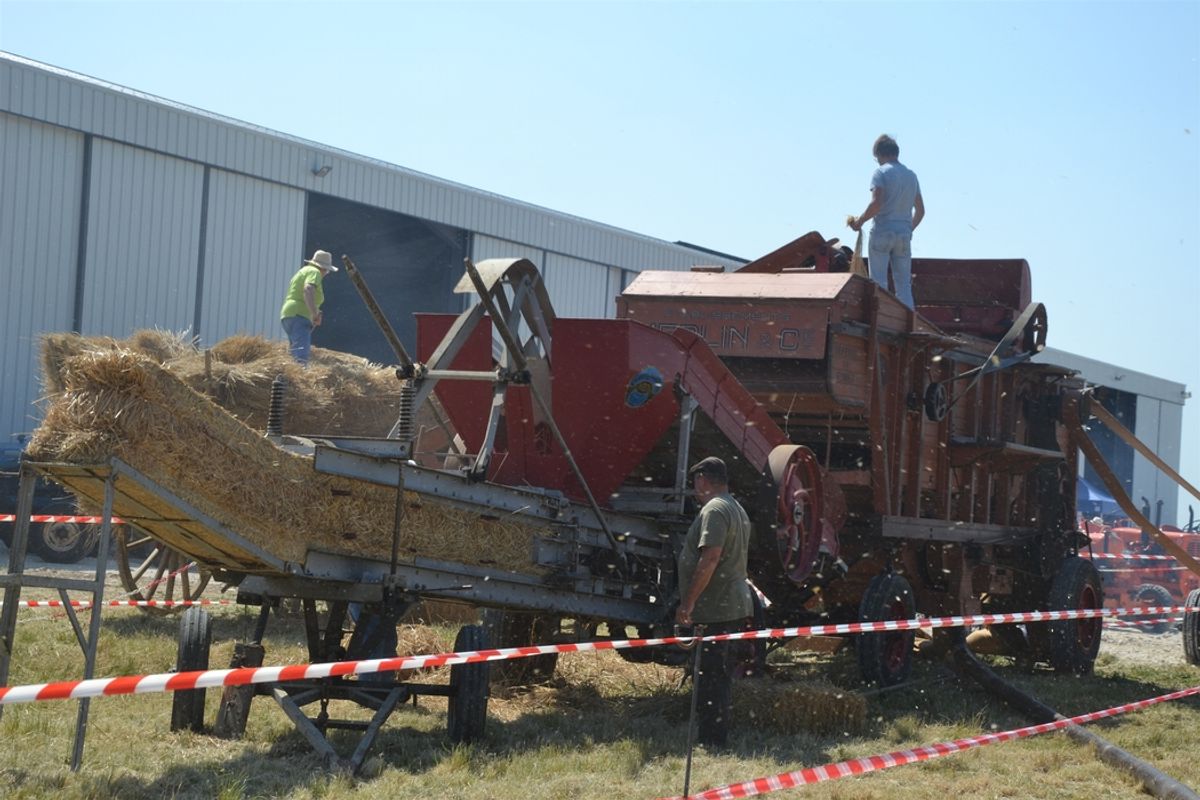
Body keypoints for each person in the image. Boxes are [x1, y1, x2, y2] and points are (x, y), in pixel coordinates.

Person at [675, 456, 753, 747]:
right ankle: (713, 735)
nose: (695, 486)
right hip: (728, 605)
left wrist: (688, 603)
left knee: (711, 678)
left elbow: (710, 558)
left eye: (696, 480)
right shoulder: (736, 508)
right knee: (716, 676)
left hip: (717, 608)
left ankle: (712, 740)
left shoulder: (715, 509)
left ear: (702, 480)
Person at [849, 134, 925, 309]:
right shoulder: (911, 176)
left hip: (883, 231)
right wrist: (908, 229)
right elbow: (920, 211)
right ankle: (908, 325)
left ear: (880, 154)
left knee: (879, 283)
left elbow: (876, 203)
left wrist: (859, 221)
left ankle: (881, 320)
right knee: (904, 285)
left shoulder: (881, 172)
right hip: (903, 234)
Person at [280, 249, 338, 364]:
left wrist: (315, 312)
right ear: (323, 268)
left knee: (294, 351)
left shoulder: (303, 271)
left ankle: (289, 377)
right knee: (301, 355)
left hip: (288, 314)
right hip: (299, 315)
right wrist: (314, 313)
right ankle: (298, 378)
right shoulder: (314, 272)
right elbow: (308, 289)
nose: (326, 273)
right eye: (327, 271)